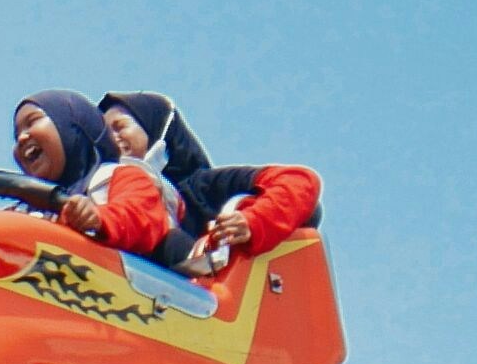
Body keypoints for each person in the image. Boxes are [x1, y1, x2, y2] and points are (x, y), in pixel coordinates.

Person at [96, 88, 323, 278]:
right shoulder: (95, 187)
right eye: (104, 132)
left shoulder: (200, 188)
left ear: (157, 133)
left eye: (120, 127)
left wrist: (252, 222)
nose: (112, 138)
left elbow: (300, 181)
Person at [10, 91, 180, 256]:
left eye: (32, 121)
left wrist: (98, 218)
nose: (22, 138)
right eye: (16, 136)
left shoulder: (118, 176)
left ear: (74, 126)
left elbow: (142, 218)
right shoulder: (22, 209)